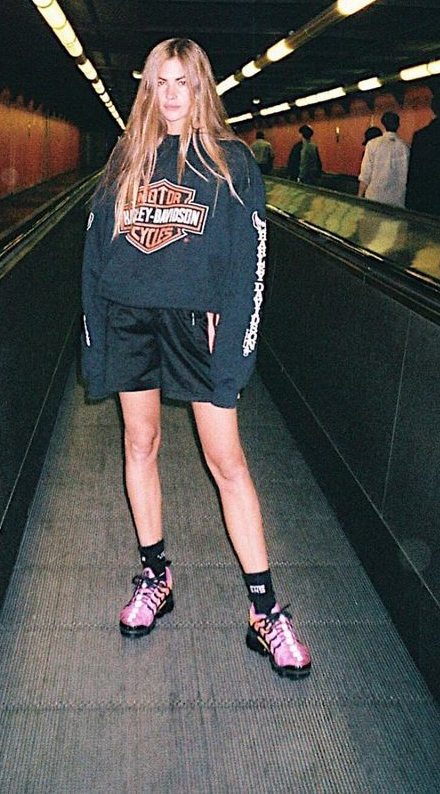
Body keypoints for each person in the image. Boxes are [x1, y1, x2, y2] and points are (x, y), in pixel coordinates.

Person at [81, 37, 311, 679]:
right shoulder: (126, 158)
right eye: (161, 81)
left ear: (202, 87)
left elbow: (251, 263)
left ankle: (264, 613)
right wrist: (97, 336)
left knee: (227, 462)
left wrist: (235, 339)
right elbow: (98, 252)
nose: (172, 93)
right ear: (148, 89)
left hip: (197, 328)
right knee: (140, 445)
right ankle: (156, 576)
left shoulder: (232, 163)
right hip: (131, 321)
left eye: (184, 81)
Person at [357, 112, 410, 207]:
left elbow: (365, 175)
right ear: (398, 125)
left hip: (375, 198)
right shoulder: (405, 147)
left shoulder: (372, 144)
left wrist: (359, 196)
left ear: (383, 125)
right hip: (397, 201)